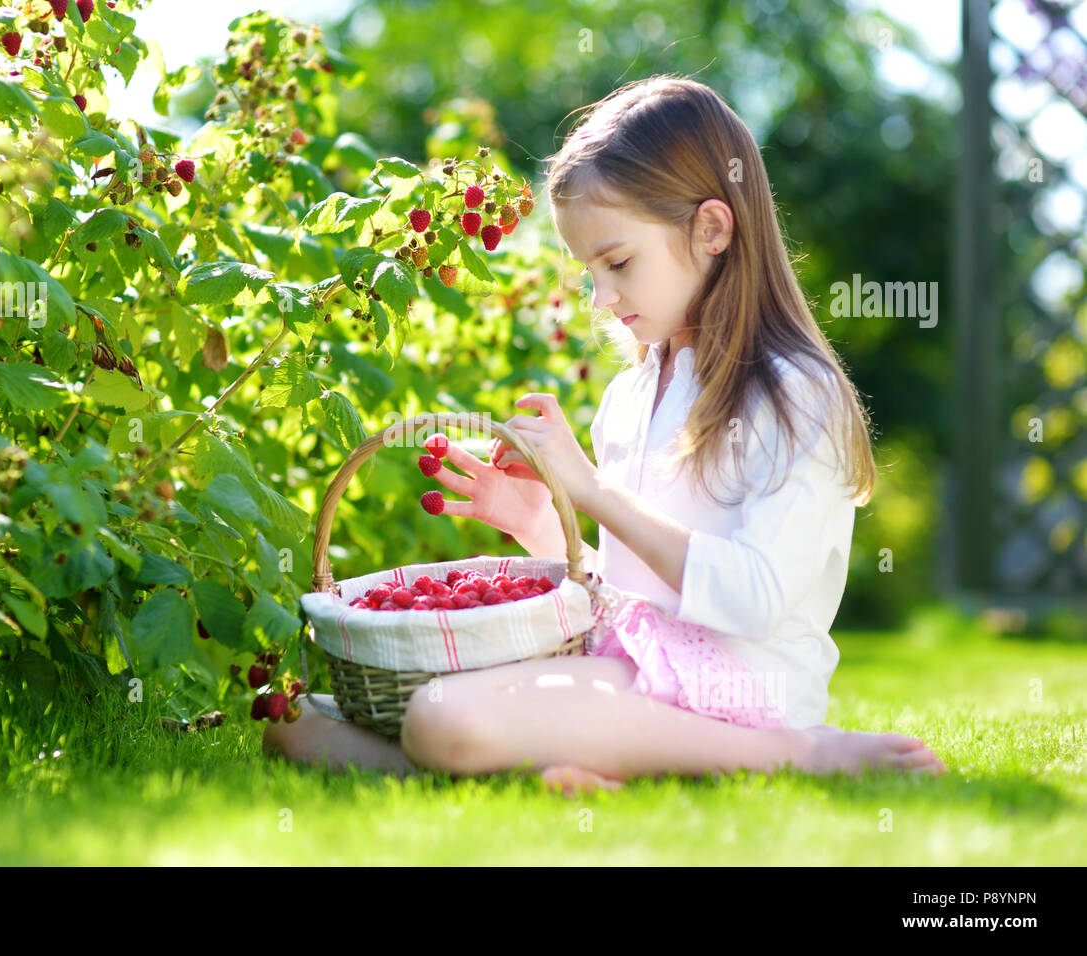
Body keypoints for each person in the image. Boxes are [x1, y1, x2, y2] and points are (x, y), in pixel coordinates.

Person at [265, 75, 947, 794]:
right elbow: (625, 593)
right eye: (590, 271)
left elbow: (755, 598)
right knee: (294, 723)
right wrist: (538, 525)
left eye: (619, 263)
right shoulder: (633, 394)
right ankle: (552, 773)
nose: (603, 298)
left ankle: (801, 752)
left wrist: (589, 490)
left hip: (740, 697)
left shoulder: (794, 392)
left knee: (438, 719)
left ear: (712, 229)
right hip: (630, 664)